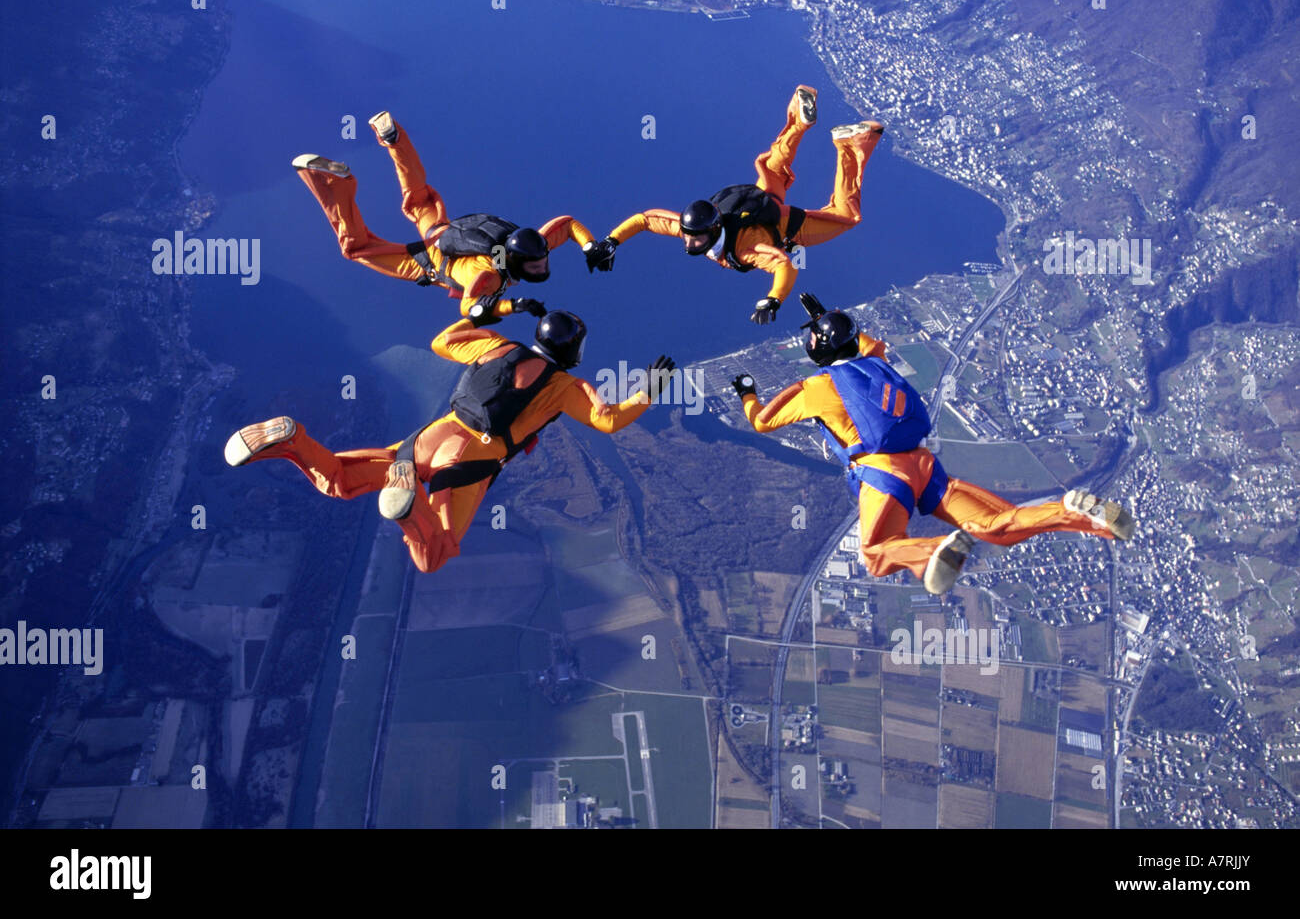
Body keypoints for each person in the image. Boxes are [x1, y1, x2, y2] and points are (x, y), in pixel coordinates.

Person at [730, 294, 1135, 594]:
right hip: (924, 465)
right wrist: (826, 318)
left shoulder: (817, 388)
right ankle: (1083, 517)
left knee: (875, 555)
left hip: (883, 472)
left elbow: (763, 422)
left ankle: (931, 553)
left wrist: (747, 393)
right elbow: (863, 343)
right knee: (998, 526)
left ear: (818, 348)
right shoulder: (876, 362)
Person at [224, 305, 676, 573]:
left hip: (432, 436)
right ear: (574, 351)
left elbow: (444, 341)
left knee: (339, 479)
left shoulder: (496, 346)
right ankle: (406, 509)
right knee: (433, 556)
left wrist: (489, 311)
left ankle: (294, 438)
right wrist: (647, 391)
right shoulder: (565, 388)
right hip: (468, 460)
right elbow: (608, 420)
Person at [591, 86, 883, 324]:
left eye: (697, 238)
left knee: (846, 215)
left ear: (715, 229)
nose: (691, 243)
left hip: (787, 225)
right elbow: (645, 220)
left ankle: (850, 143)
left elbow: (783, 264)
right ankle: (801, 119)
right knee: (773, 166)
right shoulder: (691, 227)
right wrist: (611, 241)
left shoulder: (747, 248)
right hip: (758, 202)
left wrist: (774, 299)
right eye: (689, 236)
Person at [292, 111, 607, 319]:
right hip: (430, 260)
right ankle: (339, 183)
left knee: (418, 198)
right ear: (516, 263)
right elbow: (471, 308)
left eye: (542, 263)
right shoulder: (488, 275)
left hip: (445, 233)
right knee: (355, 249)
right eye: (538, 265)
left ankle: (393, 138)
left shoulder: (530, 244)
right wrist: (515, 305)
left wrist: (589, 246)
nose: (542, 265)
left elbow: (566, 225)